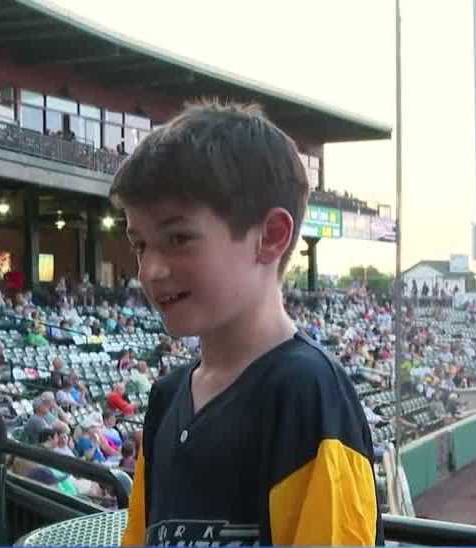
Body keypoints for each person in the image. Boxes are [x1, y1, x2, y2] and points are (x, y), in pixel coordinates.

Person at [116, 101, 380, 546]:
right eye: (140, 245)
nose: (151, 270)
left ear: (270, 237)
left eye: (178, 238)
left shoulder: (308, 392)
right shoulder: (165, 398)